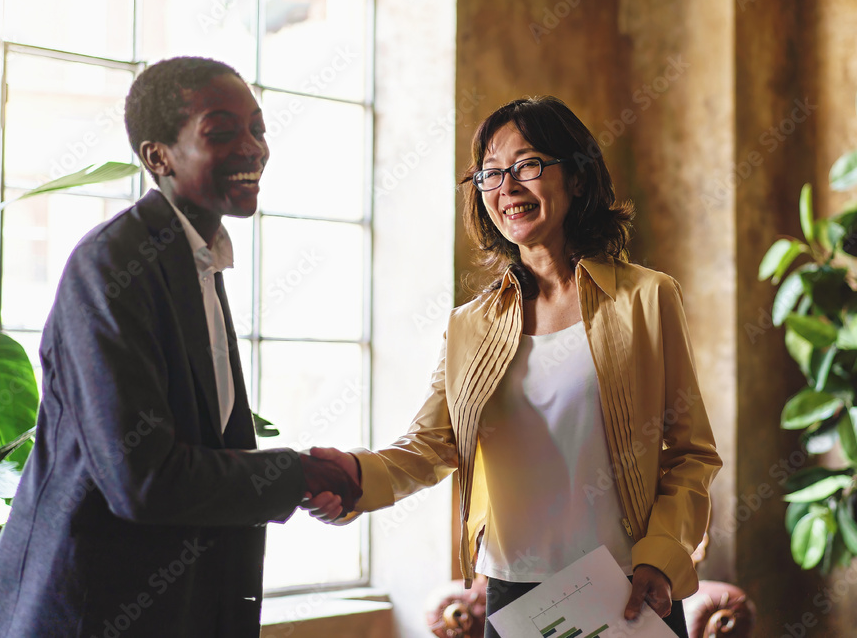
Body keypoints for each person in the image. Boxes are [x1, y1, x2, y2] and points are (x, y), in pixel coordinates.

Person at [0, 57, 359, 638]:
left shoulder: (198, 257)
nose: (253, 148)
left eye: (259, 128)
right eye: (222, 132)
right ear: (158, 157)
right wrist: (292, 474)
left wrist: (297, 477)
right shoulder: (112, 264)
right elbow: (142, 479)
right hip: (86, 613)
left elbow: (202, 446)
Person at [305, 96, 722, 638]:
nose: (508, 188)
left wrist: (661, 555)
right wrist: (360, 477)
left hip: (629, 585)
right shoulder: (470, 324)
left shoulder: (646, 298)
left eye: (527, 165)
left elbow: (692, 454)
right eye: (491, 173)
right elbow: (433, 444)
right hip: (513, 593)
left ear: (576, 177)